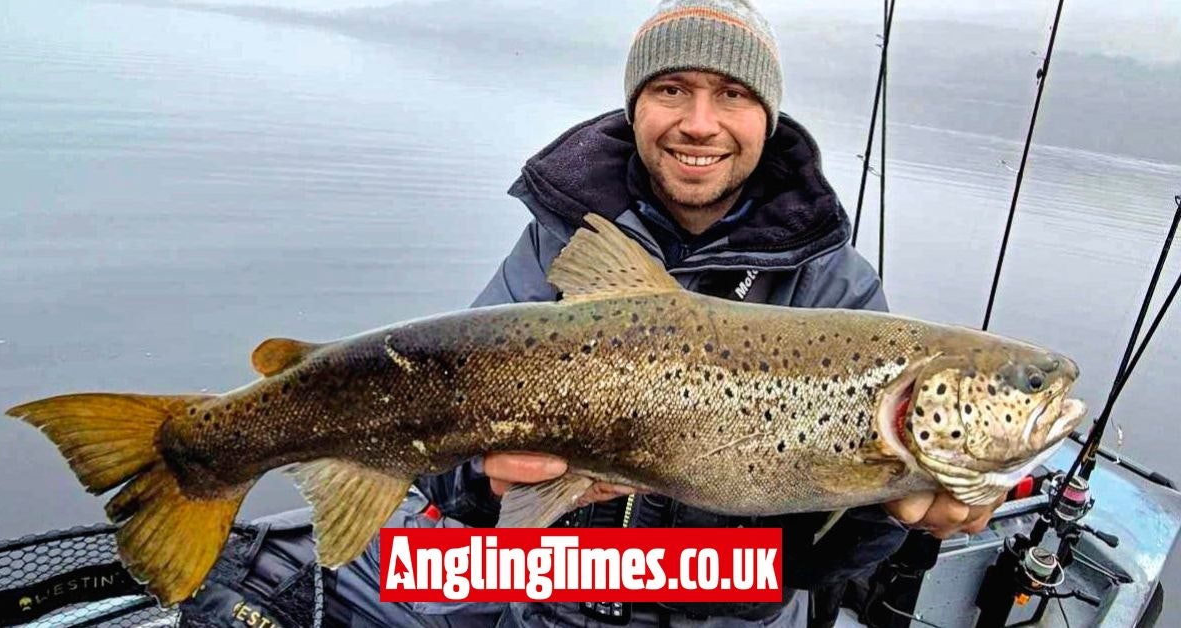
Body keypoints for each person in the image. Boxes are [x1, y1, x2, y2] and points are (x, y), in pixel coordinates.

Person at [185, 1, 1006, 626]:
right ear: (634, 107)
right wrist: (483, 476)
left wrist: (903, 518)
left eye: (732, 95)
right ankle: (194, 458)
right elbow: (454, 484)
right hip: (554, 599)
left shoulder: (838, 292)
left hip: (729, 613)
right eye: (671, 89)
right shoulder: (557, 242)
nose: (699, 122)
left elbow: (821, 566)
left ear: (769, 117)